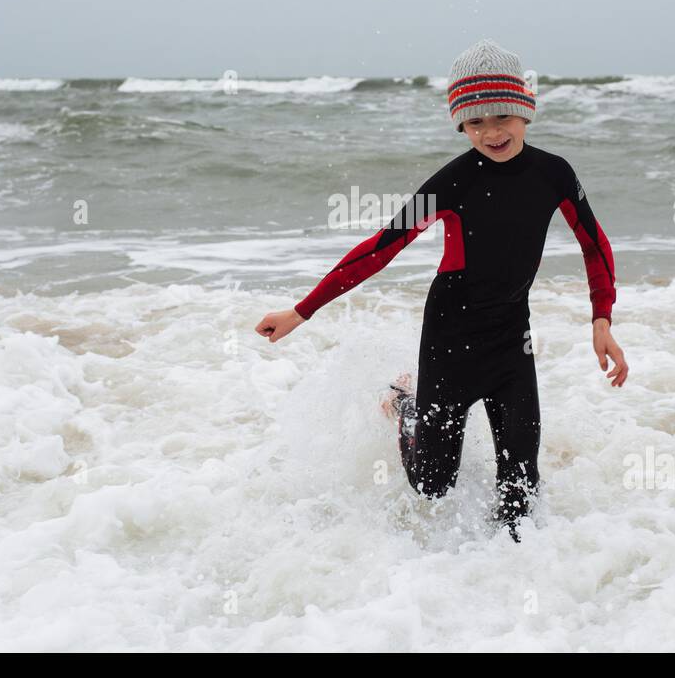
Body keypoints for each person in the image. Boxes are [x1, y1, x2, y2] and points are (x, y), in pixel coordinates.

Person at [256, 39, 628, 540]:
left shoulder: (553, 174)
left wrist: (601, 320)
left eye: (501, 117)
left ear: (525, 110)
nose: (491, 132)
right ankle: (405, 405)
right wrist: (302, 311)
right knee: (432, 485)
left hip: (512, 339)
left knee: (521, 487)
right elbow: (381, 248)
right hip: (451, 340)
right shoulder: (453, 182)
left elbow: (594, 244)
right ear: (460, 124)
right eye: (475, 122)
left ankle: (518, 584)